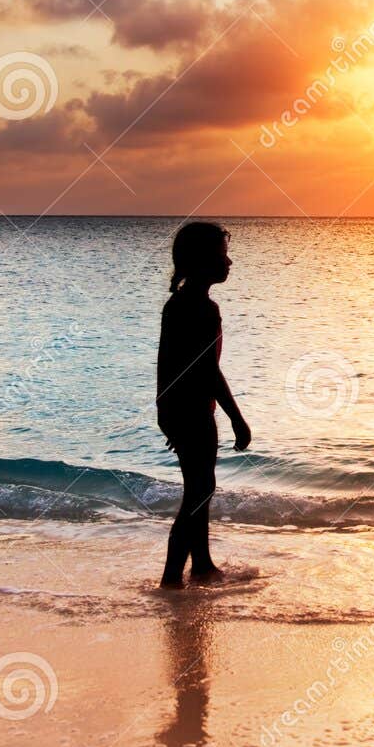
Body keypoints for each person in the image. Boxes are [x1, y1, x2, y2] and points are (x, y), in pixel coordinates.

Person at [156, 221, 251, 587]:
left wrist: (166, 413)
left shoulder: (178, 303)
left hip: (179, 408)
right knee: (198, 492)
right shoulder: (201, 308)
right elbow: (209, 371)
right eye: (223, 256)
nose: (229, 263)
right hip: (193, 410)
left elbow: (167, 365)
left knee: (201, 488)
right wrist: (238, 420)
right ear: (202, 261)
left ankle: (202, 565)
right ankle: (171, 578)